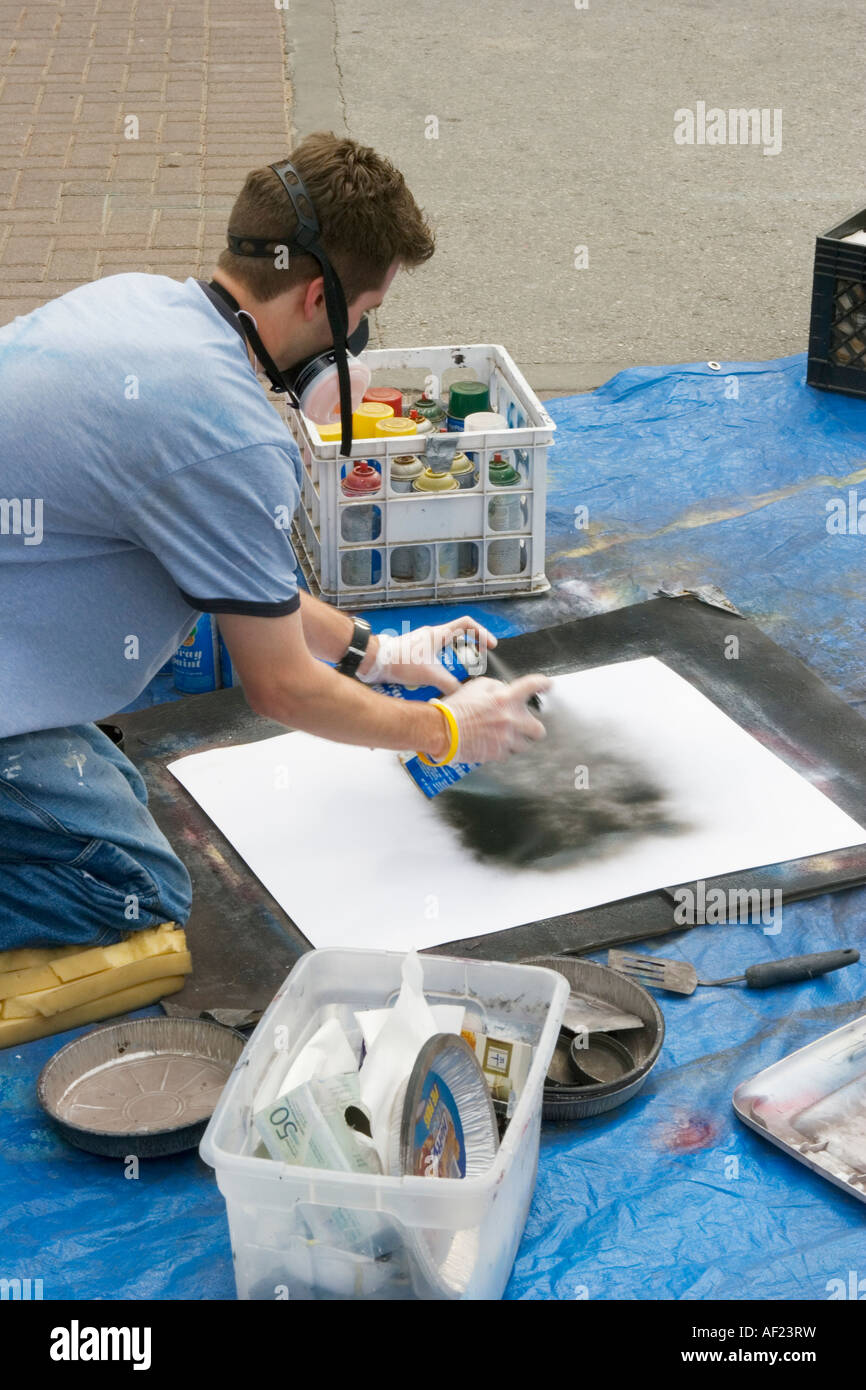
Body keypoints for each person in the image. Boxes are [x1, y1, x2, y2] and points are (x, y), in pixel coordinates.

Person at [0, 132, 549, 952]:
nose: (355, 343)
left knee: (108, 780)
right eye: (363, 316)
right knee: (132, 888)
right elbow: (282, 689)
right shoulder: (228, 434)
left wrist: (373, 652)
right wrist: (449, 731)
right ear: (319, 299)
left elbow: (236, 575)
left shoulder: (140, 303)